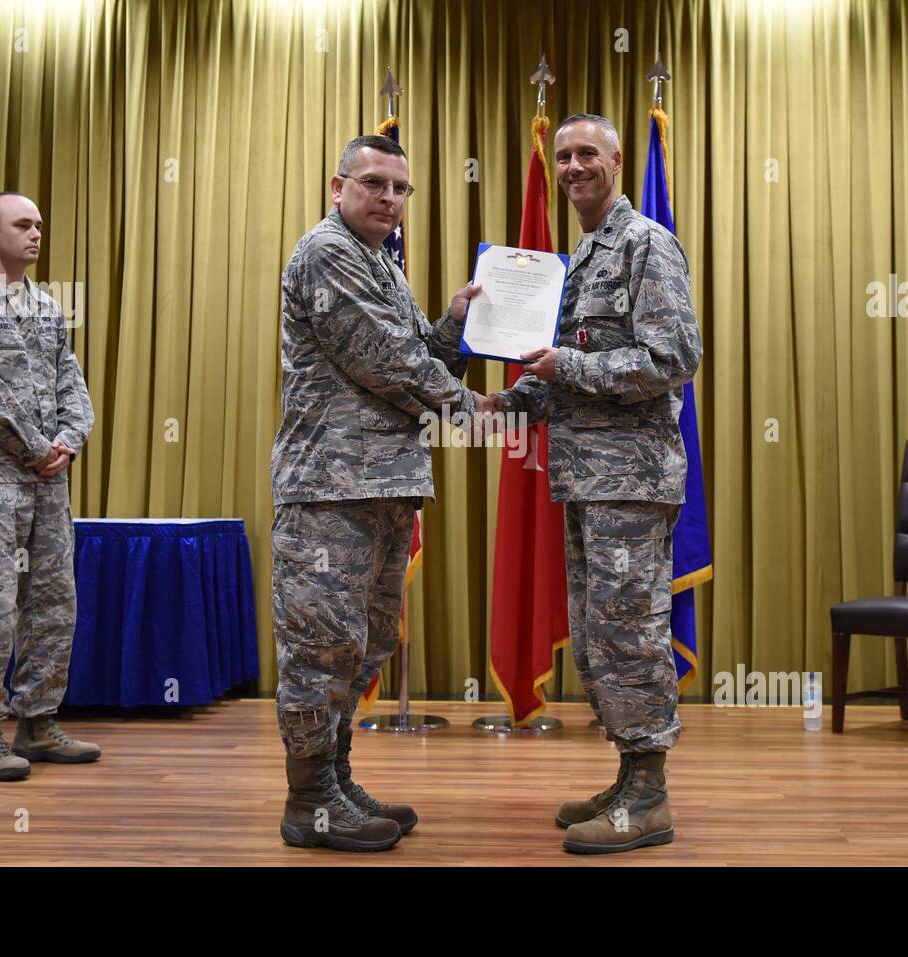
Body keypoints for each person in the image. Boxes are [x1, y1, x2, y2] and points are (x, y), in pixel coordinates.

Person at [272, 134, 492, 850]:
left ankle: (335, 777)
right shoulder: (326, 252)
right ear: (337, 187)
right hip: (329, 488)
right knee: (320, 645)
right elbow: (383, 359)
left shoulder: (382, 264)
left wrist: (456, 319)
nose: (389, 200)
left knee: (362, 644)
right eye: (374, 184)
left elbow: (417, 352)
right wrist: (467, 408)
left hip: (386, 483)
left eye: (400, 189)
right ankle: (309, 801)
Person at [492, 114, 702, 853]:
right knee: (600, 635)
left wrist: (566, 369)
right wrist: (505, 404)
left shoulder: (646, 244)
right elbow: (562, 375)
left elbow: (675, 355)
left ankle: (651, 793)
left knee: (632, 632)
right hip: (585, 480)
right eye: (566, 155)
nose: (575, 165)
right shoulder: (577, 259)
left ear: (616, 161)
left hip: (632, 482)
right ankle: (627, 773)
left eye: (589, 154)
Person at [0, 191, 99, 782]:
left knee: (54, 604)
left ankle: (38, 721)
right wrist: (38, 447)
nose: (35, 233)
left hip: (48, 483)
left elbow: (72, 384)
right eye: (22, 224)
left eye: (39, 223)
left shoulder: (49, 308)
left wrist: (70, 439)